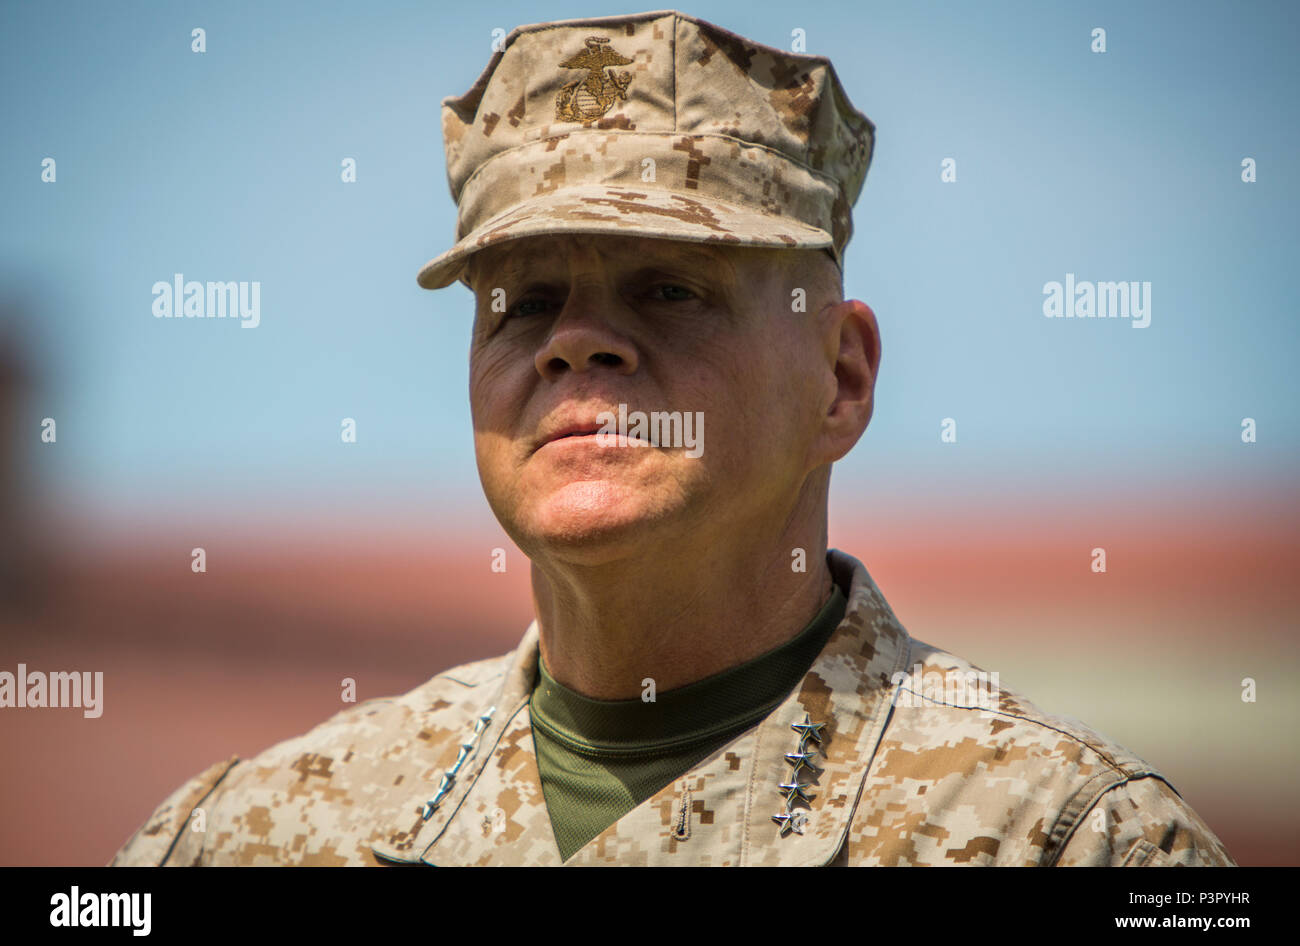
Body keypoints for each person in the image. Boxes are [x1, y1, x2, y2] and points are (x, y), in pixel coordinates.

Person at [110, 9, 1234, 866]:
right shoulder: (246, 836)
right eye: (524, 302)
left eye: (670, 289)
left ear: (840, 379)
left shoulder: (1079, 841)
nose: (575, 344)